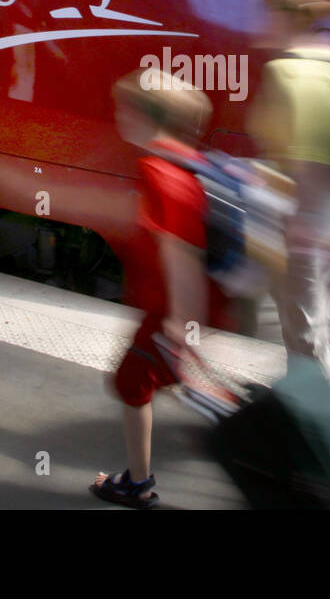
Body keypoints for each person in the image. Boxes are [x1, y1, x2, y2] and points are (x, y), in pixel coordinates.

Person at [90, 68, 233, 508]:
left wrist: (181, 321)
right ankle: (138, 477)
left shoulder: (159, 170)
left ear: (142, 114)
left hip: (167, 311)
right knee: (153, 383)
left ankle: (137, 483)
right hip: (174, 308)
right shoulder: (184, 162)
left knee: (132, 383)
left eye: (123, 108)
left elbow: (181, 249)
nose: (118, 117)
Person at [247, 0, 330, 379]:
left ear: (284, 17)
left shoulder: (288, 71)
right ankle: (302, 400)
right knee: (307, 317)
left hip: (308, 211)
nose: (259, 22)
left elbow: (307, 154)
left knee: (304, 327)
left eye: (266, 13)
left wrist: (304, 223)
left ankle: (311, 419)